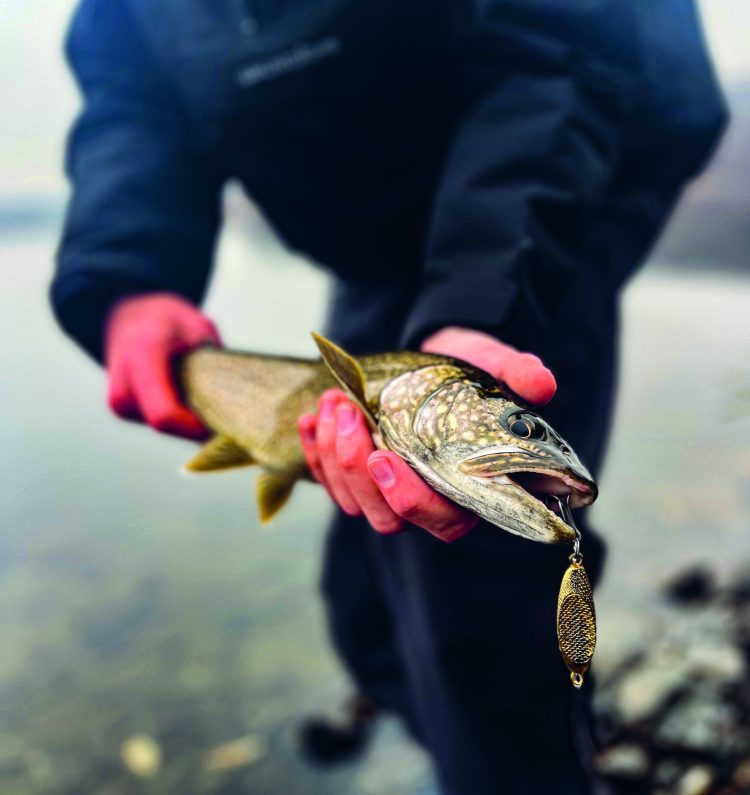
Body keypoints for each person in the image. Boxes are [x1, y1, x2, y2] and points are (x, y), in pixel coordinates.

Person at [51, 1, 726, 792]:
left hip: (560, 186)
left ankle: (526, 766)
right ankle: (447, 742)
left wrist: (479, 302)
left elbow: (562, 50)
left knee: (479, 614)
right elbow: (133, 89)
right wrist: (128, 273)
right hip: (374, 242)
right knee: (366, 603)